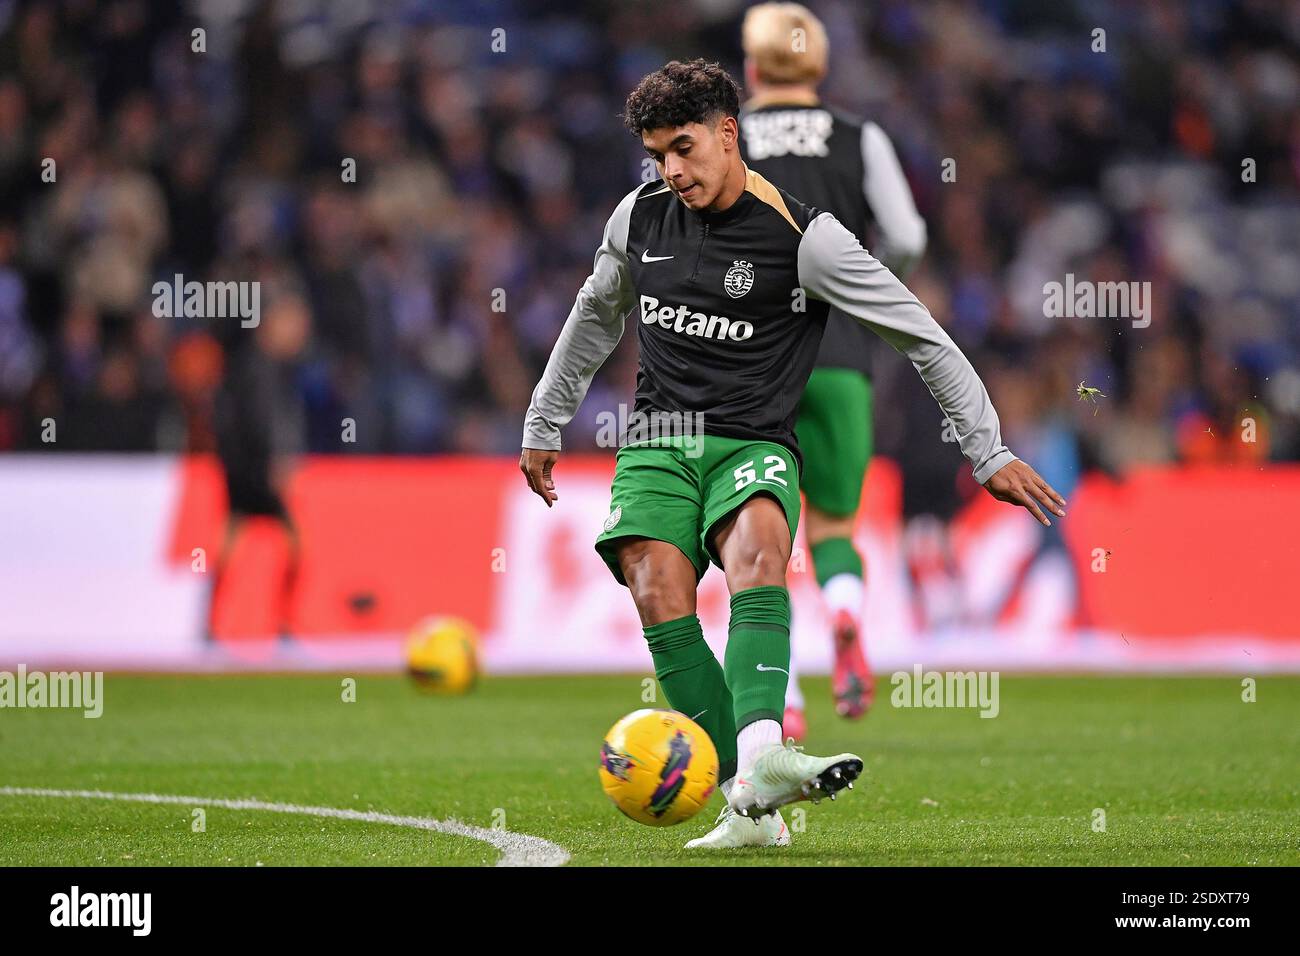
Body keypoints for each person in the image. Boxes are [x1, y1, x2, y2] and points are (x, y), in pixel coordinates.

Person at [519, 60, 1065, 849]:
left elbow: (920, 334)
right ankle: (752, 796)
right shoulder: (636, 218)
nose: (672, 170)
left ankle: (763, 752)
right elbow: (593, 316)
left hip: (754, 439)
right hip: (659, 440)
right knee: (653, 584)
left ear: (728, 134)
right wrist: (545, 418)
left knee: (759, 553)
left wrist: (987, 451)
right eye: (658, 155)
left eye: (684, 148)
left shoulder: (806, 238)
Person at [739, 2, 929, 735]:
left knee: (756, 535)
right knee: (832, 522)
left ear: (752, 69)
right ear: (818, 67)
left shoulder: (725, 138)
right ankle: (845, 613)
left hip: (752, 355)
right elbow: (907, 233)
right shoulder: (861, 136)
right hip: (844, 351)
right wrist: (870, 293)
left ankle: (778, 695)